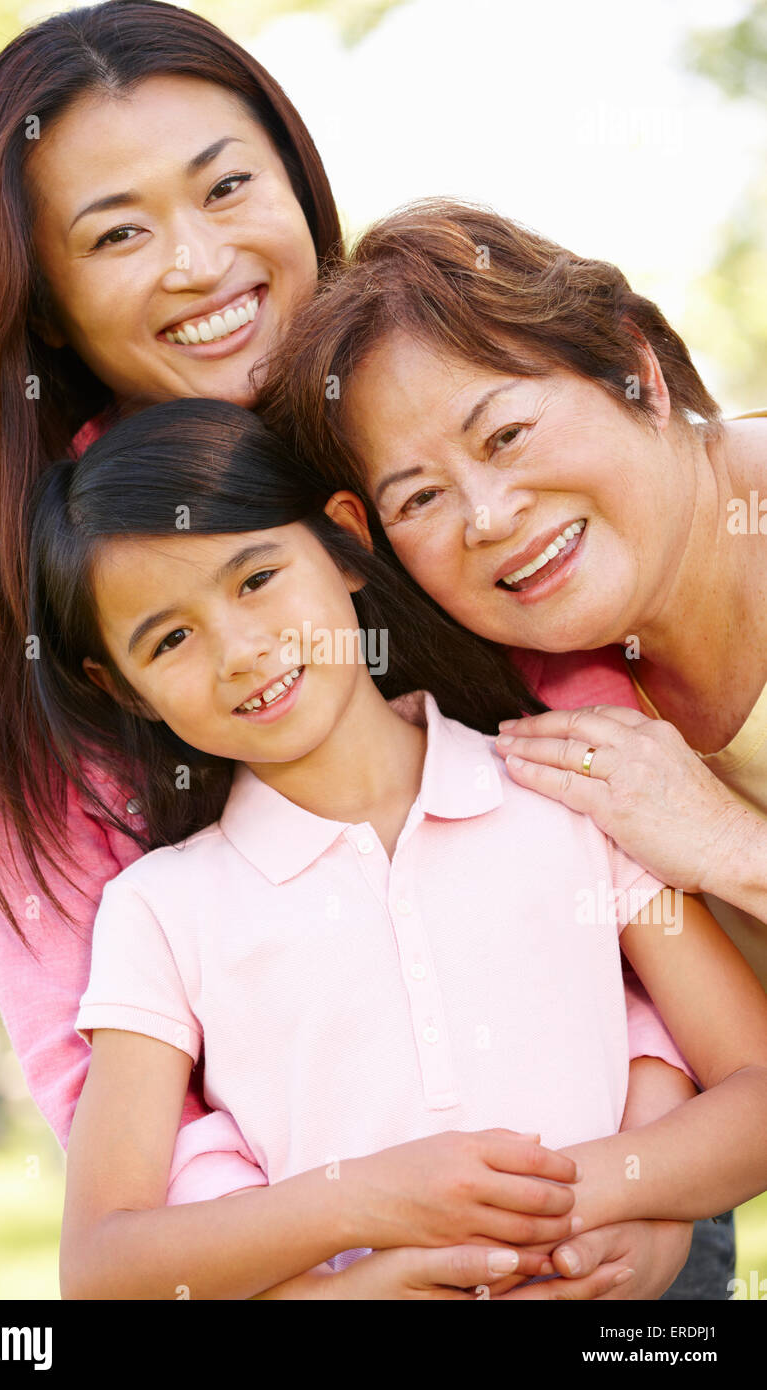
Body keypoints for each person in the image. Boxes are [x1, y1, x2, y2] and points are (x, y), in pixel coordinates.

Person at [0, 2, 698, 1299]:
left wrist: (646, 1169)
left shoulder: (427, 441)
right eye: (118, 233)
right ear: (39, 304)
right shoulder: (20, 649)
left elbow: (610, 825)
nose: (200, 259)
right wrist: (363, 1249)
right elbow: (111, 1096)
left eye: (228, 187)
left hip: (611, 1203)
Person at [25, 396, 767, 1300]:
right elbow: (103, 1267)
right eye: (170, 638)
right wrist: (371, 1208)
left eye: (256, 578)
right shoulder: (161, 910)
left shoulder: (565, 786)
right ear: (125, 688)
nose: (240, 651)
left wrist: (594, 1203)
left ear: (344, 542)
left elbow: (755, 1085)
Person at [255, 194, 767, 1298]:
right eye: (421, 496)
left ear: (633, 364)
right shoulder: (534, 698)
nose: (486, 514)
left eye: (505, 433)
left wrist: (727, 844)